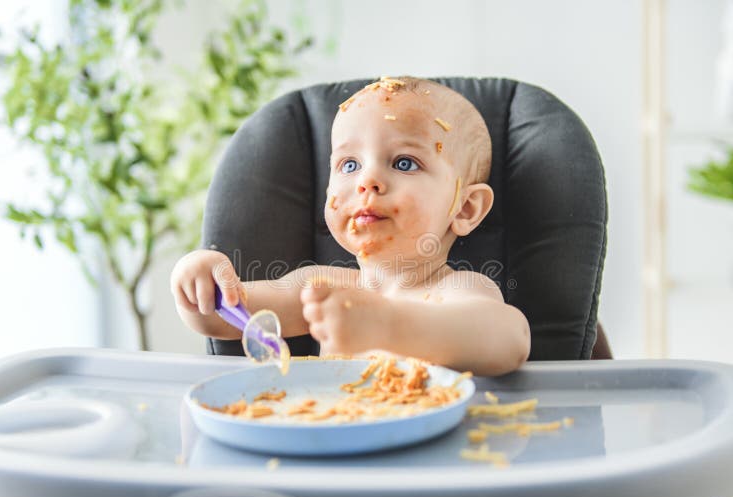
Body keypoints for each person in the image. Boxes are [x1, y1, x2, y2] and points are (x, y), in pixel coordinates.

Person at [170, 76, 530, 376]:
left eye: (404, 163)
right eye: (349, 165)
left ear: (465, 208)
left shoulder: (458, 290)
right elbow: (218, 320)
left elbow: (510, 342)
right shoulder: (320, 289)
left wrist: (387, 326)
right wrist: (198, 281)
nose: (367, 180)